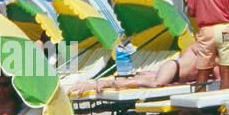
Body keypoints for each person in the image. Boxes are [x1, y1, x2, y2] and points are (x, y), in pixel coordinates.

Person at [68, 40, 216, 96]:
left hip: (174, 73)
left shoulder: (210, 55)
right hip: (174, 68)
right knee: (155, 83)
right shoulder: (202, 48)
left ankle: (95, 83)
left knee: (140, 79)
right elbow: (219, 76)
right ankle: (113, 83)